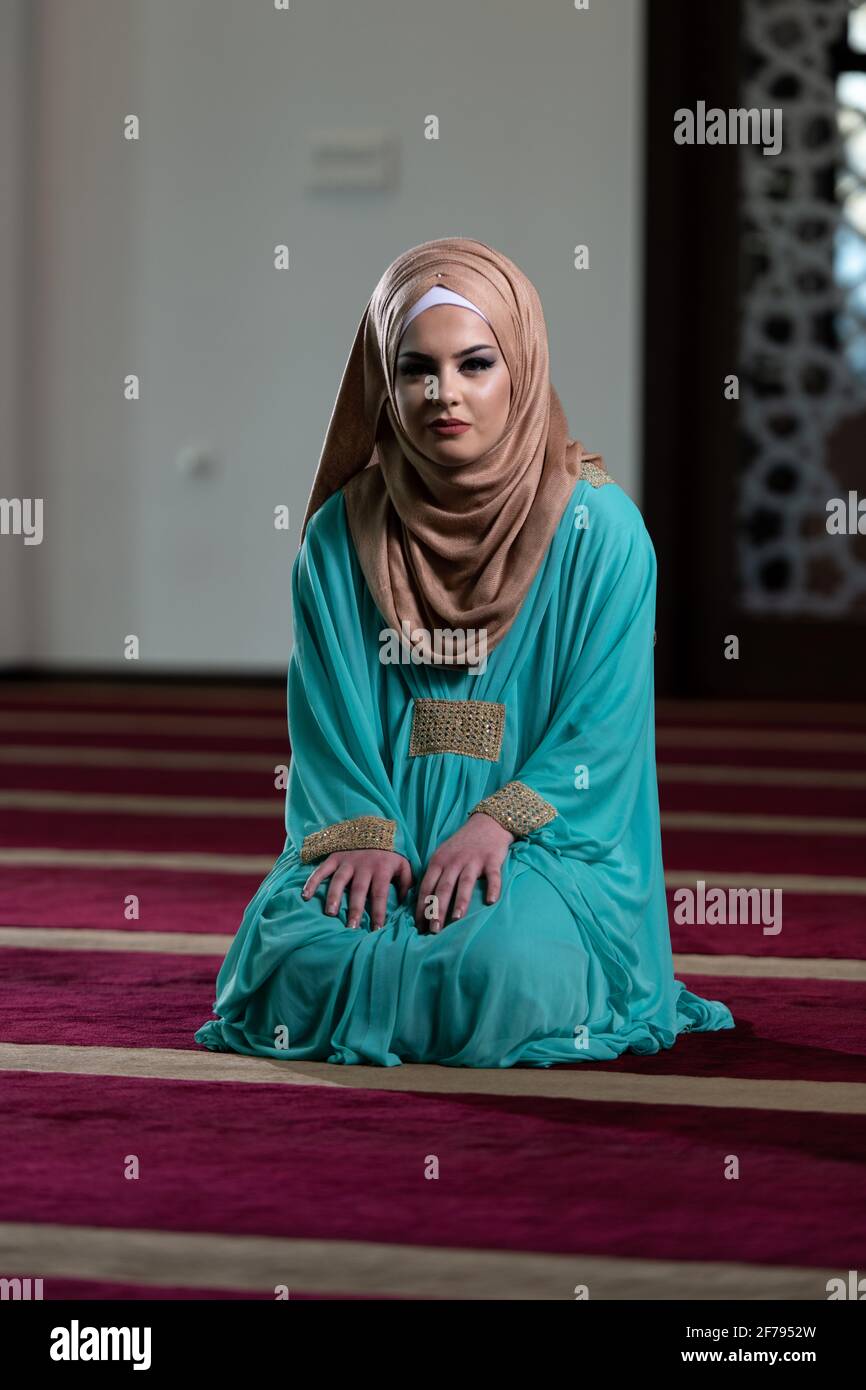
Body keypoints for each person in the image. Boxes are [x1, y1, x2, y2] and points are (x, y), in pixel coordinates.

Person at [194, 236, 735, 1068]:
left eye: (475, 364)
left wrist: (495, 824)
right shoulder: (341, 537)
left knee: (505, 967)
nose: (444, 394)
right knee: (292, 959)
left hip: (544, 844)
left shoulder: (601, 532)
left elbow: (603, 735)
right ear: (384, 380)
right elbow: (329, 726)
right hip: (379, 820)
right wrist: (363, 835)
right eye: (416, 369)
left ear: (519, 368)